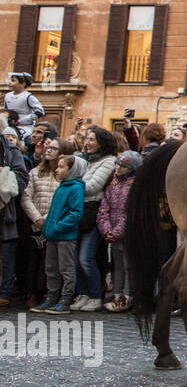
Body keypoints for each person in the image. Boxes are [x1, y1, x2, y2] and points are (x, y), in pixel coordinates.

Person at [73, 126, 118, 311]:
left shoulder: (109, 161)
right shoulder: (84, 160)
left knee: (86, 257)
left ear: (102, 142)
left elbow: (92, 186)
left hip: (94, 212)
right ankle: (83, 293)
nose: (87, 143)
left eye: (91, 139)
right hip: (78, 209)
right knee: (76, 258)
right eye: (86, 139)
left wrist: (72, 183)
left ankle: (94, 294)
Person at [37, 155, 84, 315]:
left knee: (66, 268)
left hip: (65, 236)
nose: (57, 169)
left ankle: (65, 299)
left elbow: (76, 213)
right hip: (53, 235)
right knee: (51, 268)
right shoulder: (62, 186)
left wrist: (58, 226)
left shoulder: (75, 187)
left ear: (72, 170)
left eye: (62, 166)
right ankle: (51, 297)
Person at [98, 150, 140, 312]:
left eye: (123, 165)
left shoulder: (135, 185)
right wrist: (106, 228)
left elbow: (130, 212)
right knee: (118, 266)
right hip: (113, 232)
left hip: (127, 233)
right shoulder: (113, 183)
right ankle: (117, 294)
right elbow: (104, 208)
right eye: (118, 164)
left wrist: (116, 231)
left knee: (129, 265)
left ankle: (128, 296)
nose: (118, 168)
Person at [0, 126, 30, 309]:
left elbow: (21, 177)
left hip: (4, 211)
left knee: (5, 254)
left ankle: (4, 292)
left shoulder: (11, 151)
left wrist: (4, 183)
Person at [4, 73, 45, 142]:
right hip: (10, 125)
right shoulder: (7, 96)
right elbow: (6, 110)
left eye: (13, 81)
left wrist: (22, 121)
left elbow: (40, 111)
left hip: (25, 127)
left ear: (23, 84)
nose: (10, 83)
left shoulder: (28, 97)